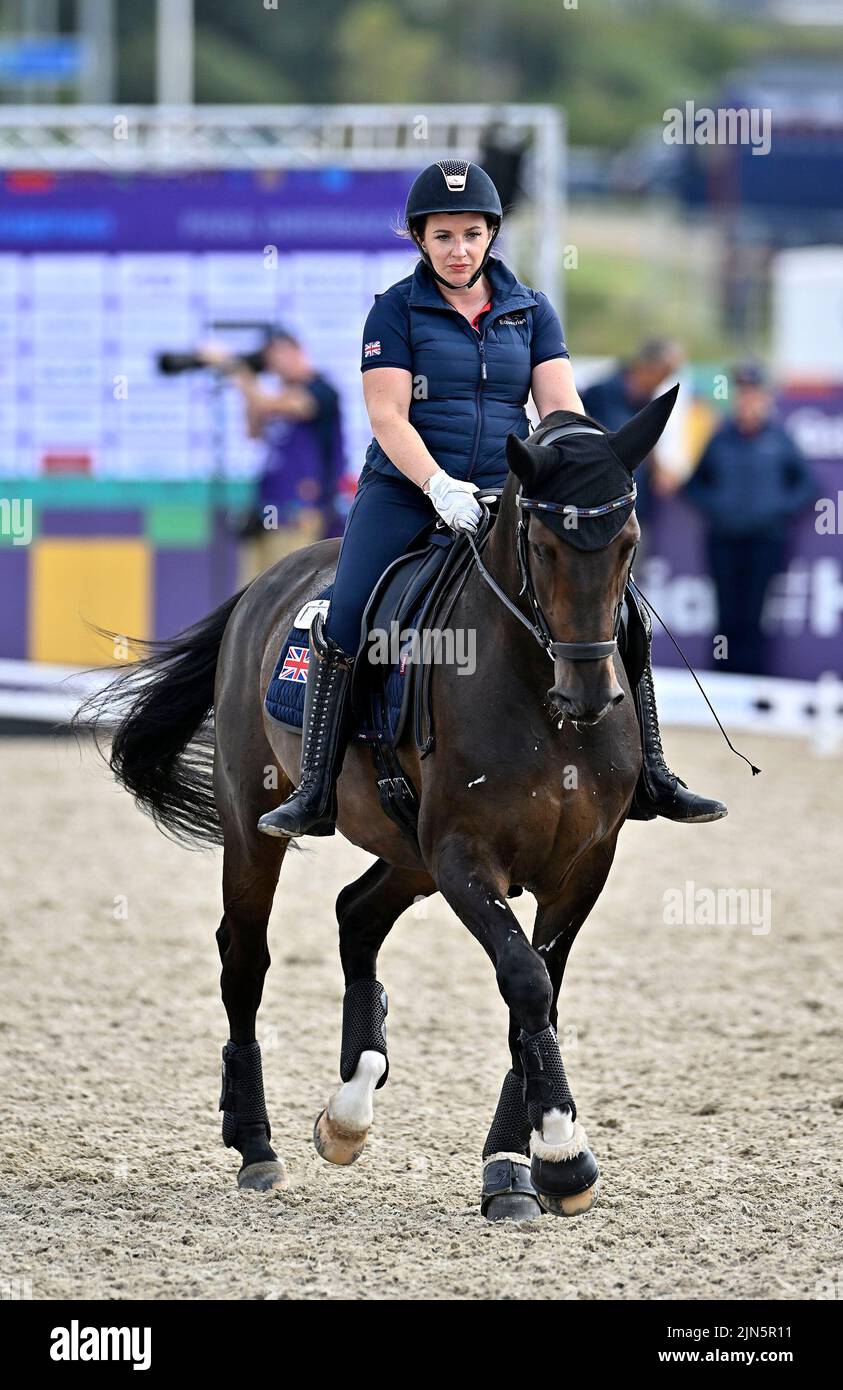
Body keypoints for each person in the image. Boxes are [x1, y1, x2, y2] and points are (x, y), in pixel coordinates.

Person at [258, 161, 725, 839]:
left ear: (490, 236)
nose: (458, 249)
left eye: (471, 234)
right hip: (405, 490)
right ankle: (314, 789)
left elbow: (560, 406)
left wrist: (577, 469)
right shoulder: (393, 310)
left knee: (618, 608)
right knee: (350, 614)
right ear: (420, 238)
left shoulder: (530, 309)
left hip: (508, 491)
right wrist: (436, 486)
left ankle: (651, 771)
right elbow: (388, 416)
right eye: (443, 235)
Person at [683, 362, 816, 675]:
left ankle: (752, 676)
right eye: (742, 394)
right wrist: (718, 506)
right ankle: (723, 675)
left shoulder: (780, 438)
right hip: (724, 539)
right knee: (726, 612)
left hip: (765, 540)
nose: (748, 400)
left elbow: (806, 485)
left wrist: (776, 509)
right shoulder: (720, 438)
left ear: (764, 398)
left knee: (754, 612)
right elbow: (694, 485)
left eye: (753, 394)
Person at [200, 329, 345, 581]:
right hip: (265, 504)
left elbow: (276, 405)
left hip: (299, 509)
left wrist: (236, 369)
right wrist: (246, 378)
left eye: (276, 354)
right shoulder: (277, 393)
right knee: (249, 592)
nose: (274, 364)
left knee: (288, 586)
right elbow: (253, 430)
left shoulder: (320, 390)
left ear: (295, 350)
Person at [581, 338, 684, 528]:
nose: (665, 379)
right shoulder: (601, 393)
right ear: (648, 366)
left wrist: (659, 469)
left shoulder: (650, 402)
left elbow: (645, 445)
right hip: (599, 508)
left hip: (637, 510)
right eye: (665, 372)